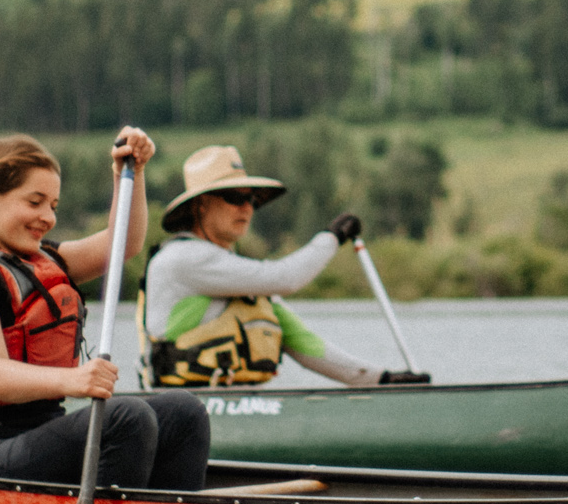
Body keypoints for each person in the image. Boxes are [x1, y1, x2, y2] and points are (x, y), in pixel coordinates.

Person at [0, 129, 210, 490]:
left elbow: (124, 244)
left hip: (37, 439)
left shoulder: (47, 261)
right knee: (125, 418)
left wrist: (130, 173)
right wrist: (74, 380)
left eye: (53, 206)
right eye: (34, 202)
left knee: (184, 411)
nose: (48, 218)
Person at [141, 145, 427, 387]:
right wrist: (332, 237)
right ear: (201, 205)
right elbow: (286, 278)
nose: (247, 208)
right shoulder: (183, 259)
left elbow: (301, 341)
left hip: (226, 404)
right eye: (235, 198)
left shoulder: (234, 278)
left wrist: (382, 379)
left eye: (251, 199)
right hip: (179, 408)